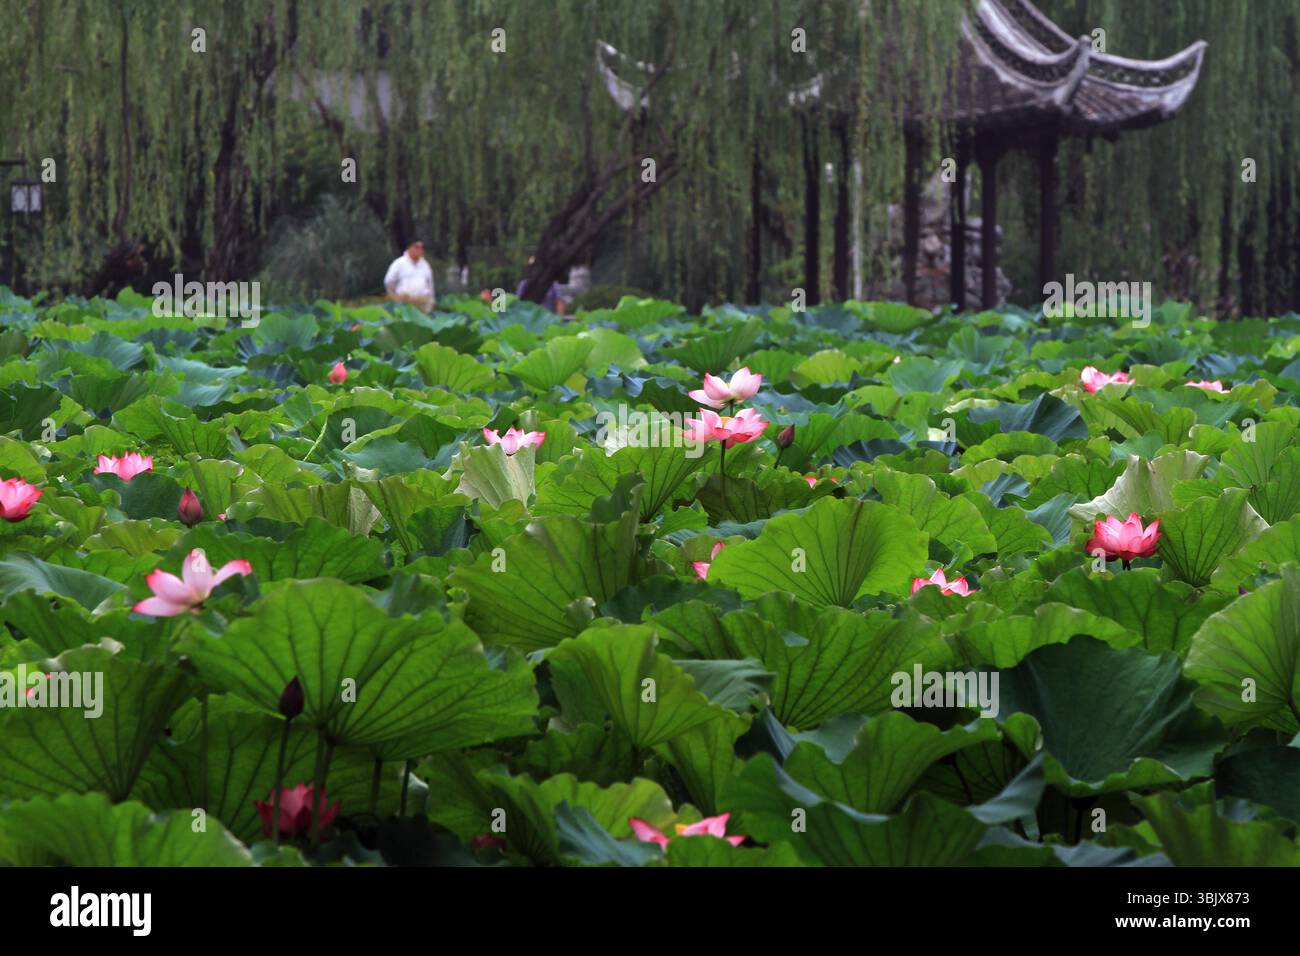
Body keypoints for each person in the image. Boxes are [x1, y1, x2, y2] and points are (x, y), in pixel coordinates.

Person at [384, 239, 435, 311]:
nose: (420, 250)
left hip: (422, 303)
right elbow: (389, 281)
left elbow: (430, 285)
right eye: (416, 247)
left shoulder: (425, 265)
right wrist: (395, 297)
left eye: (421, 247)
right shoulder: (399, 263)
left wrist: (431, 302)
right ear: (409, 248)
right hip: (404, 304)